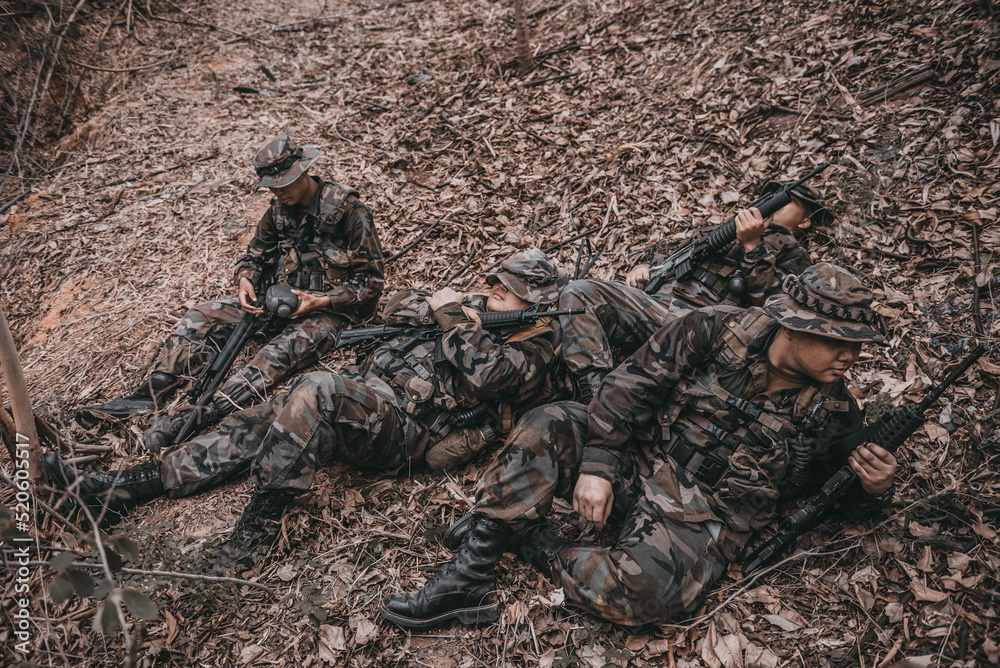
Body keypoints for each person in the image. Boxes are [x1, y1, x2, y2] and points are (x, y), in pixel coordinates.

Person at [380, 263, 896, 629]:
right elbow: (630, 386)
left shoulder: (836, 415)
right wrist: (600, 466)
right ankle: (468, 577)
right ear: (793, 325)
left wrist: (872, 490)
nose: (851, 354)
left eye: (857, 343)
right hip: (639, 458)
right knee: (551, 421)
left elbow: (834, 499)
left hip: (698, 517)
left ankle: (525, 539)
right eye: (836, 340)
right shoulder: (716, 328)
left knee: (643, 595)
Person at [45, 249, 569, 569]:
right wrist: (441, 308)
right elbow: (393, 306)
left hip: (405, 433)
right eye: (497, 283)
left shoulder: (534, 353)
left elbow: (488, 377)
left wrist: (454, 317)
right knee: (263, 418)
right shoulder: (477, 315)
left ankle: (260, 525)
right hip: (366, 397)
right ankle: (121, 489)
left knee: (315, 388)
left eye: (509, 292)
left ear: (537, 305)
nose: (495, 292)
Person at [77, 135, 385, 445]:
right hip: (277, 300)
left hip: (330, 313)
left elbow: (370, 283)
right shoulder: (278, 211)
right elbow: (254, 256)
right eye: (272, 185)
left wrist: (317, 301)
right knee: (200, 316)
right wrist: (246, 280)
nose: (277, 191)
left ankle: (195, 416)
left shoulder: (349, 211)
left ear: (305, 172)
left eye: (284, 183)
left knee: (271, 357)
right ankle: (150, 393)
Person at [561, 182, 832, 404]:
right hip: (659, 306)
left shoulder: (792, 254)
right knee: (576, 295)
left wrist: (753, 247)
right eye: (771, 196)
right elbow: (671, 256)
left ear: (805, 222)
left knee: (581, 294)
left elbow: (780, 310)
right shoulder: (721, 231)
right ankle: (593, 394)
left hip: (705, 327)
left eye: (786, 202)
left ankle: (597, 404)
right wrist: (644, 267)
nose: (772, 202)